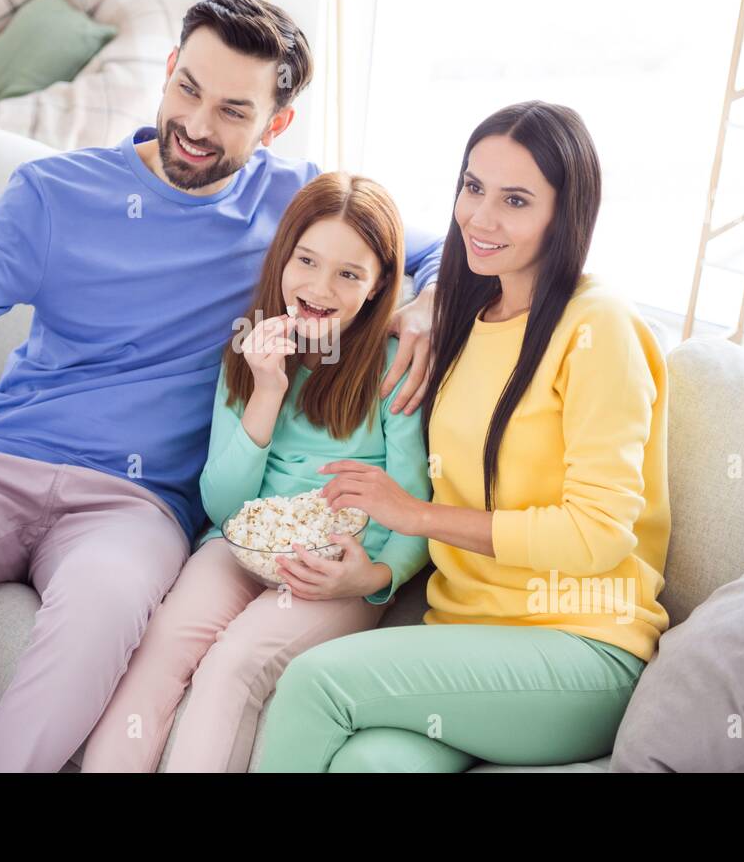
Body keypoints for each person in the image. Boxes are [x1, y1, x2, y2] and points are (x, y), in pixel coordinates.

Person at [0, 0, 443, 772]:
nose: (197, 125)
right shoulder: (52, 193)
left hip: (139, 505)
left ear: (275, 124)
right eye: (188, 89)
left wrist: (430, 306)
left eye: (234, 110)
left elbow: (427, 249)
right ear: (167, 72)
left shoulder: (297, 212)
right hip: (0, 464)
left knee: (103, 608)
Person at [255, 101, 671, 772]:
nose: (481, 216)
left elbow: (599, 536)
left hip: (579, 647)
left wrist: (414, 515)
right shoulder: (468, 311)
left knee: (313, 682)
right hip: (464, 638)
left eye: (515, 199)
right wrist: (426, 301)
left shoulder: (599, 328)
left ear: (564, 215)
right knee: (369, 765)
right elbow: (387, 241)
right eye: (472, 187)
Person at [80, 172, 431, 773]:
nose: (320, 288)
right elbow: (223, 506)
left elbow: (415, 507)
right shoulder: (251, 349)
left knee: (235, 661)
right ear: (282, 257)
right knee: (160, 647)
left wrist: (373, 575)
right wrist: (266, 390)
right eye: (307, 260)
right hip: (240, 545)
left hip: (338, 563)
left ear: (378, 288)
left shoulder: (393, 365)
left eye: (349, 274)